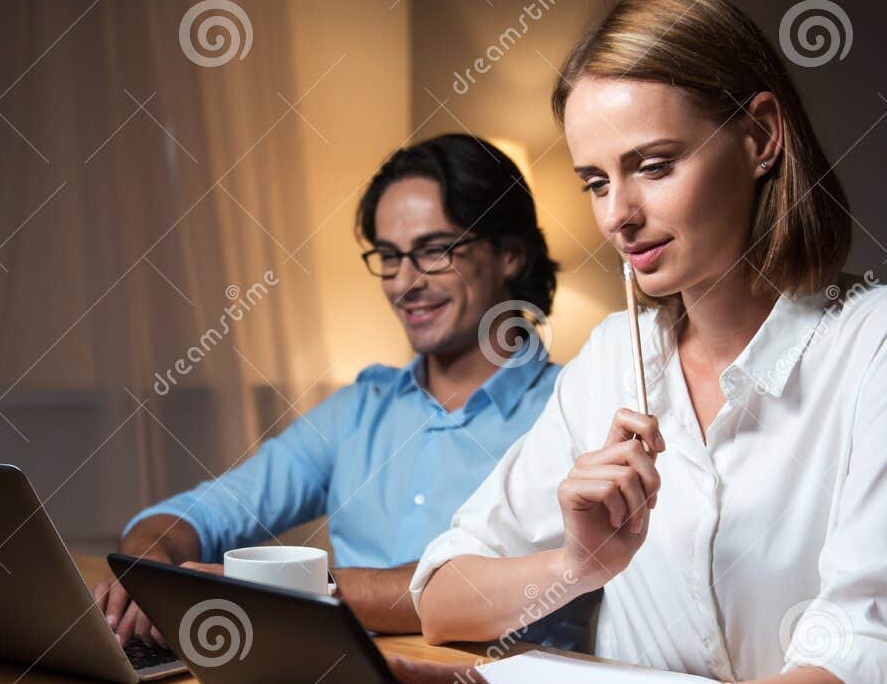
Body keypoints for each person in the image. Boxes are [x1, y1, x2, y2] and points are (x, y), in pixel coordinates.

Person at [337, 0, 887, 684]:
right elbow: (445, 595)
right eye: (596, 182)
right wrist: (575, 568)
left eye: (653, 165)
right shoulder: (613, 356)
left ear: (760, 137)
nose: (619, 217)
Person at [100, 134, 572, 643]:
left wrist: (272, 589)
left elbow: (478, 582)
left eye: (434, 251)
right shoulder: (358, 411)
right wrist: (150, 562)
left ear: (511, 255)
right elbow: (205, 512)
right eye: (389, 257)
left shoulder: (568, 409)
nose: (403, 283)